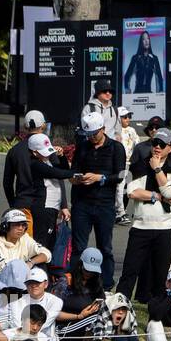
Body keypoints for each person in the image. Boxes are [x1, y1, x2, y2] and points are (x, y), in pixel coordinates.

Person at [118, 130, 171, 305]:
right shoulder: (138, 166)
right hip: (141, 227)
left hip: (165, 228)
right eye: (155, 143)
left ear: (170, 148)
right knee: (129, 271)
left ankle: (157, 313)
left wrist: (157, 168)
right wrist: (159, 196)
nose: (157, 147)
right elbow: (132, 192)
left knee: (160, 274)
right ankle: (120, 305)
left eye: (162, 145)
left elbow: (170, 190)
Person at [69, 111, 126, 288]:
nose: (92, 138)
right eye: (88, 135)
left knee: (105, 247)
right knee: (78, 247)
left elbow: (121, 174)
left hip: (104, 203)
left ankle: (106, 283)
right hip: (82, 202)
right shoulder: (83, 146)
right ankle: (76, 282)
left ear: (103, 129)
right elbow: (75, 169)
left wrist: (100, 178)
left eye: (94, 134)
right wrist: (76, 177)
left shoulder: (116, 147)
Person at [0, 209, 50, 278]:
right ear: (5, 226)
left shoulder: (25, 238)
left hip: (19, 280)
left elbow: (46, 254)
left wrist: (31, 262)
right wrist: (25, 268)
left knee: (41, 264)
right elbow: (5, 270)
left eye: (23, 225)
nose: (21, 228)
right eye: (16, 225)